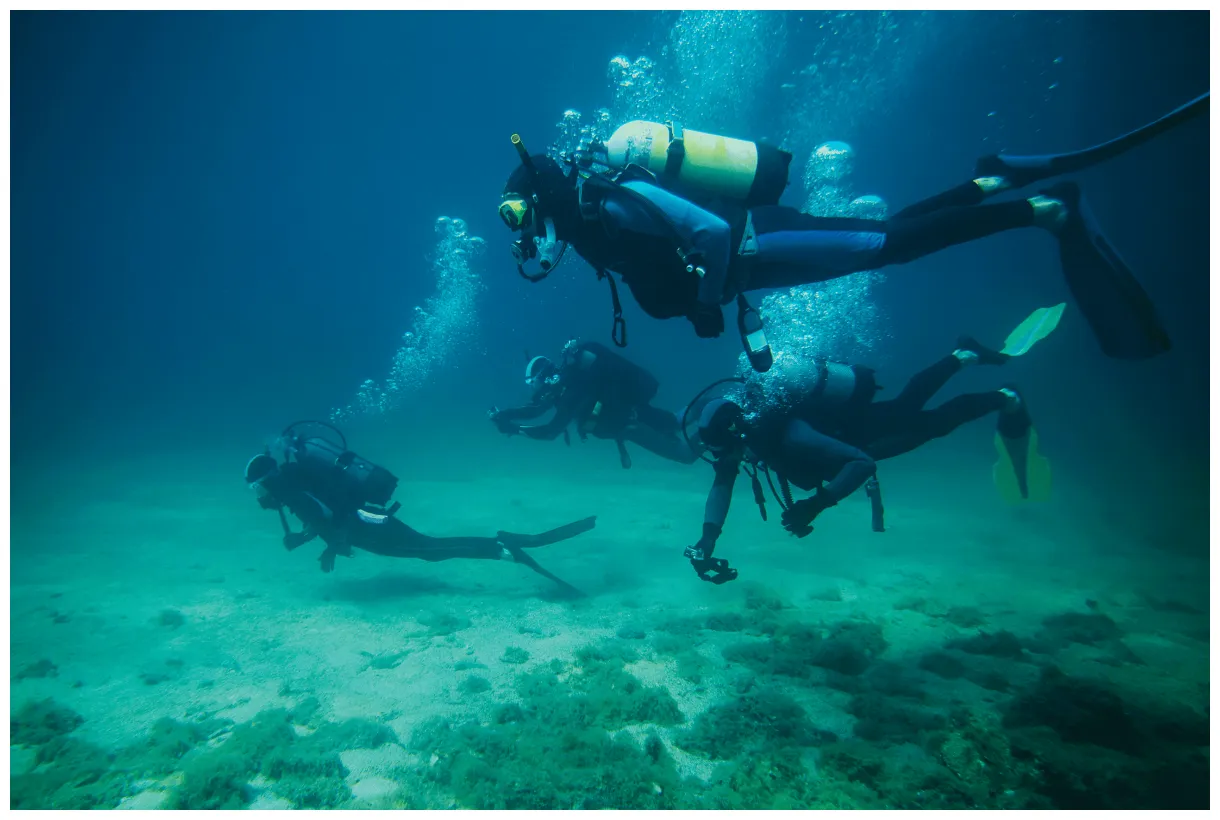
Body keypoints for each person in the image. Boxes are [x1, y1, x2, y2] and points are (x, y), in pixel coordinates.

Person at [497, 93, 1208, 367]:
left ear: (540, 199)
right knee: (885, 239)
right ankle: (990, 183)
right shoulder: (592, 221)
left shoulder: (608, 205)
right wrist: (718, 301)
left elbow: (708, 234)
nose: (524, 238)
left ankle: (1042, 209)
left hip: (759, 242)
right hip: (758, 257)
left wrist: (710, 303)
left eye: (518, 218)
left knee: (888, 246)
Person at [682, 313, 1059, 584]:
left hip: (866, 436)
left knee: (935, 423)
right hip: (856, 426)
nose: (726, 459)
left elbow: (861, 464)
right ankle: (963, 356)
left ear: (737, 432)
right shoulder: (745, 434)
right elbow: (722, 485)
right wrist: (707, 538)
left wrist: (816, 504)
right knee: (909, 403)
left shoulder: (790, 435)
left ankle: (1004, 396)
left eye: (725, 449)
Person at [245, 422, 595, 596]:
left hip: (365, 526)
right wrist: (319, 541)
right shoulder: (293, 479)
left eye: (256, 489)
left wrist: (328, 545)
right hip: (364, 520)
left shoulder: (288, 488)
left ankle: (504, 548)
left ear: (265, 481)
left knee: (429, 550)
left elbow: (322, 515)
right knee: (429, 549)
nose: (259, 497)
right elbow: (323, 511)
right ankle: (502, 544)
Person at [488, 338, 698, 469]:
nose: (534, 391)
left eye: (532, 384)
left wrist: (514, 429)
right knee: (676, 422)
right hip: (632, 421)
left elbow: (550, 432)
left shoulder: (569, 393)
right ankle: (710, 410)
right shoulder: (567, 387)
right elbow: (535, 410)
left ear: (542, 378)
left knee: (684, 450)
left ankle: (713, 411)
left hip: (634, 424)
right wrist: (505, 416)